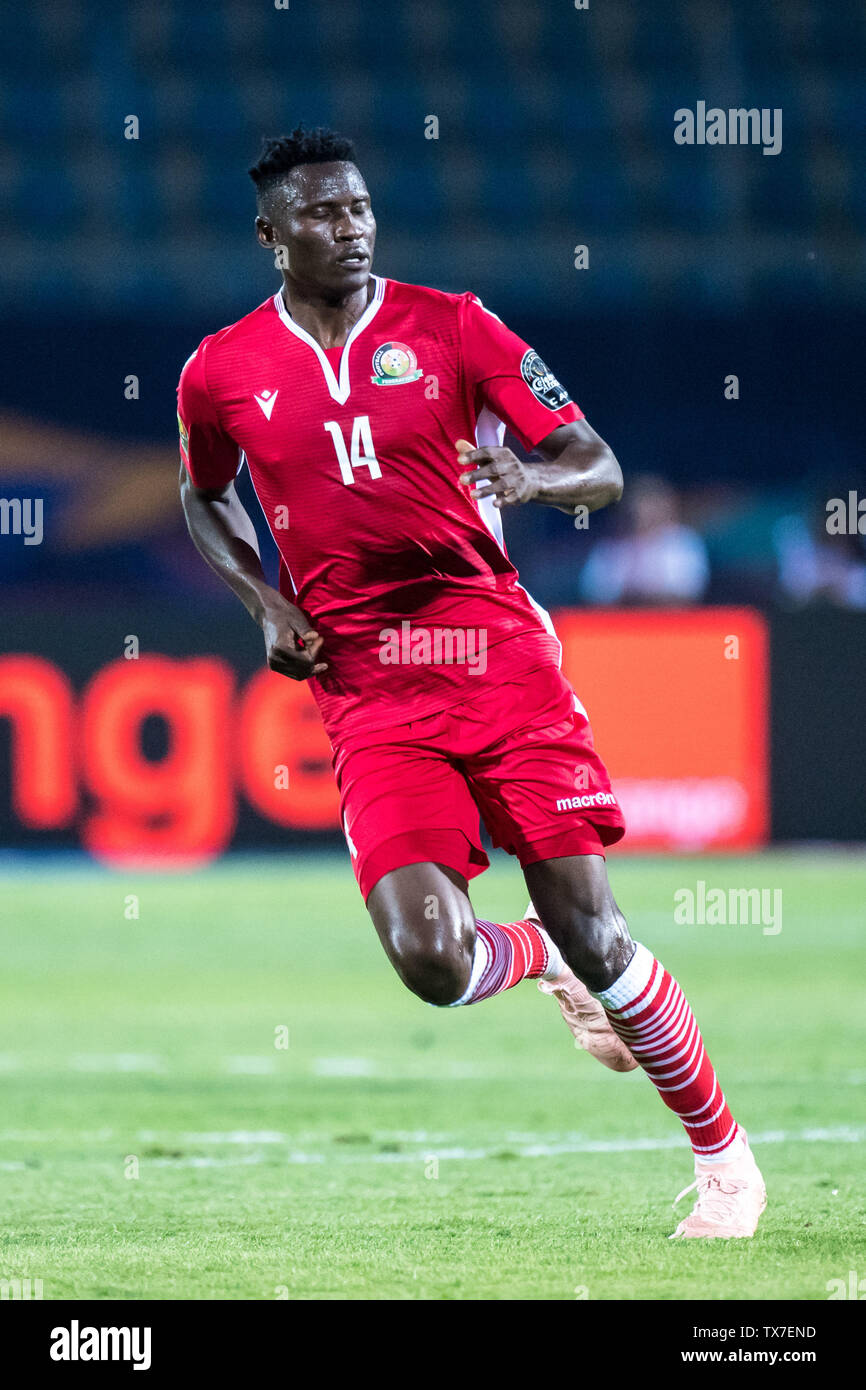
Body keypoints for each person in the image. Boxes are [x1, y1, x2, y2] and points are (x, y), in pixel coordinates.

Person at [177, 125, 765, 1238]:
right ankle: (535, 957)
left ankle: (723, 1159)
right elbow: (201, 497)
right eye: (320, 214)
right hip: (364, 682)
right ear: (269, 235)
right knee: (430, 962)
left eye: (357, 208)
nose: (348, 228)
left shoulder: (453, 324)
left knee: (597, 926)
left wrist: (533, 478)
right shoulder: (222, 370)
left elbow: (599, 461)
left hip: (492, 655)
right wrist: (265, 602)